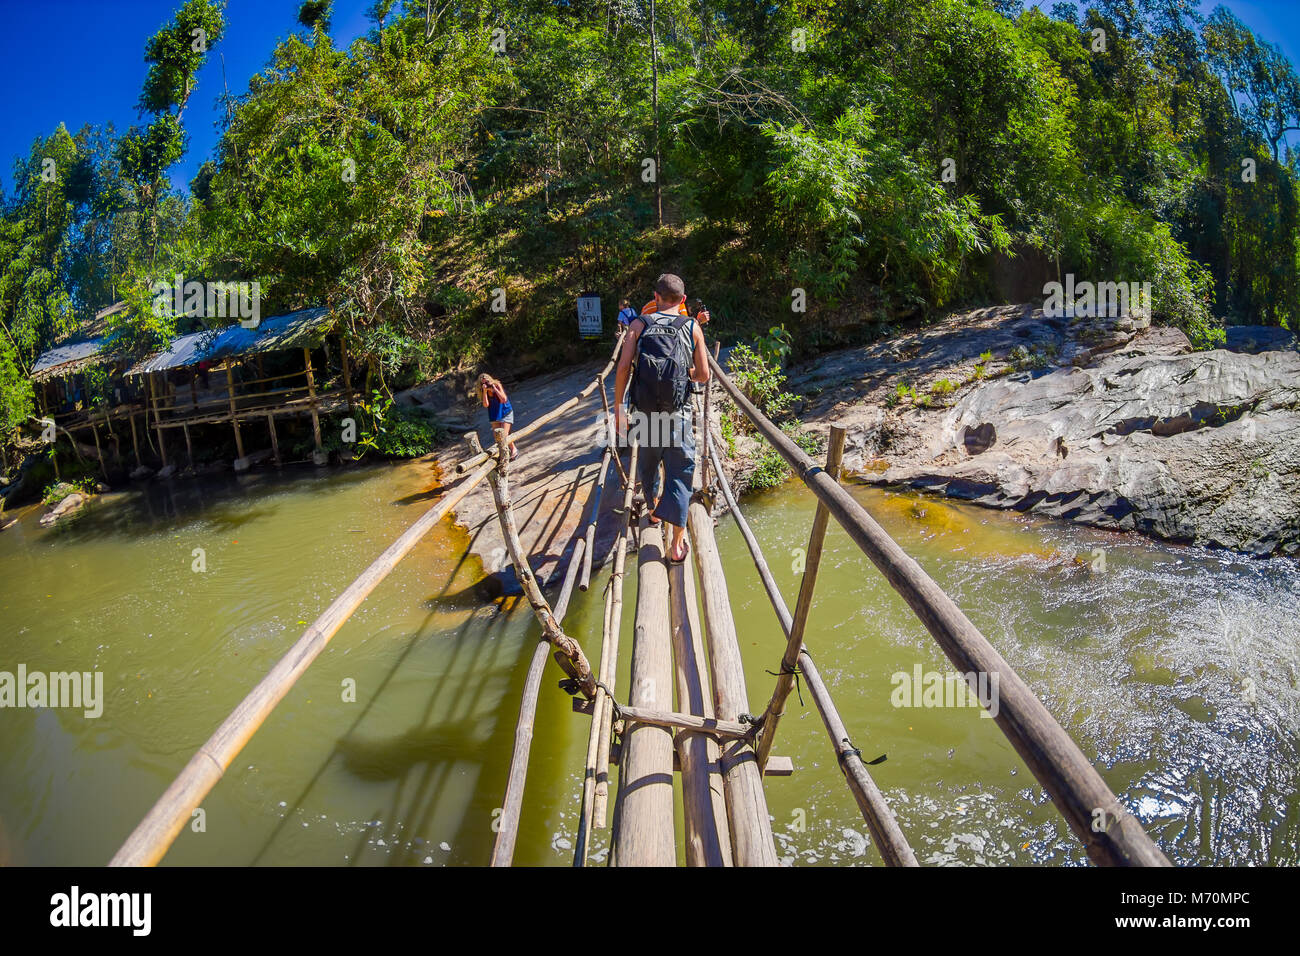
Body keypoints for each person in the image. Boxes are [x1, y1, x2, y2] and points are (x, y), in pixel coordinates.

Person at [614, 273, 711, 564]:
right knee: (680, 473)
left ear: (654, 298)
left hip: (645, 413)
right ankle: (677, 542)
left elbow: (622, 369)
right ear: (682, 301)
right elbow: (704, 375)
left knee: (648, 461)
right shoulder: (692, 325)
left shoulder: (638, 324)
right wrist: (684, 375)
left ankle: (654, 511)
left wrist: (619, 409)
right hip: (677, 414)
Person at [478, 373, 519, 459]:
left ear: (490, 380)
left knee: (504, 434)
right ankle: (510, 450)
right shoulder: (483, 391)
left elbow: (503, 399)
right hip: (494, 415)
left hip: (505, 412)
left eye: (487, 382)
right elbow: (486, 405)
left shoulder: (497, 384)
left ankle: (511, 451)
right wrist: (485, 391)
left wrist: (494, 389)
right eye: (483, 383)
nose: (486, 384)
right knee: (498, 437)